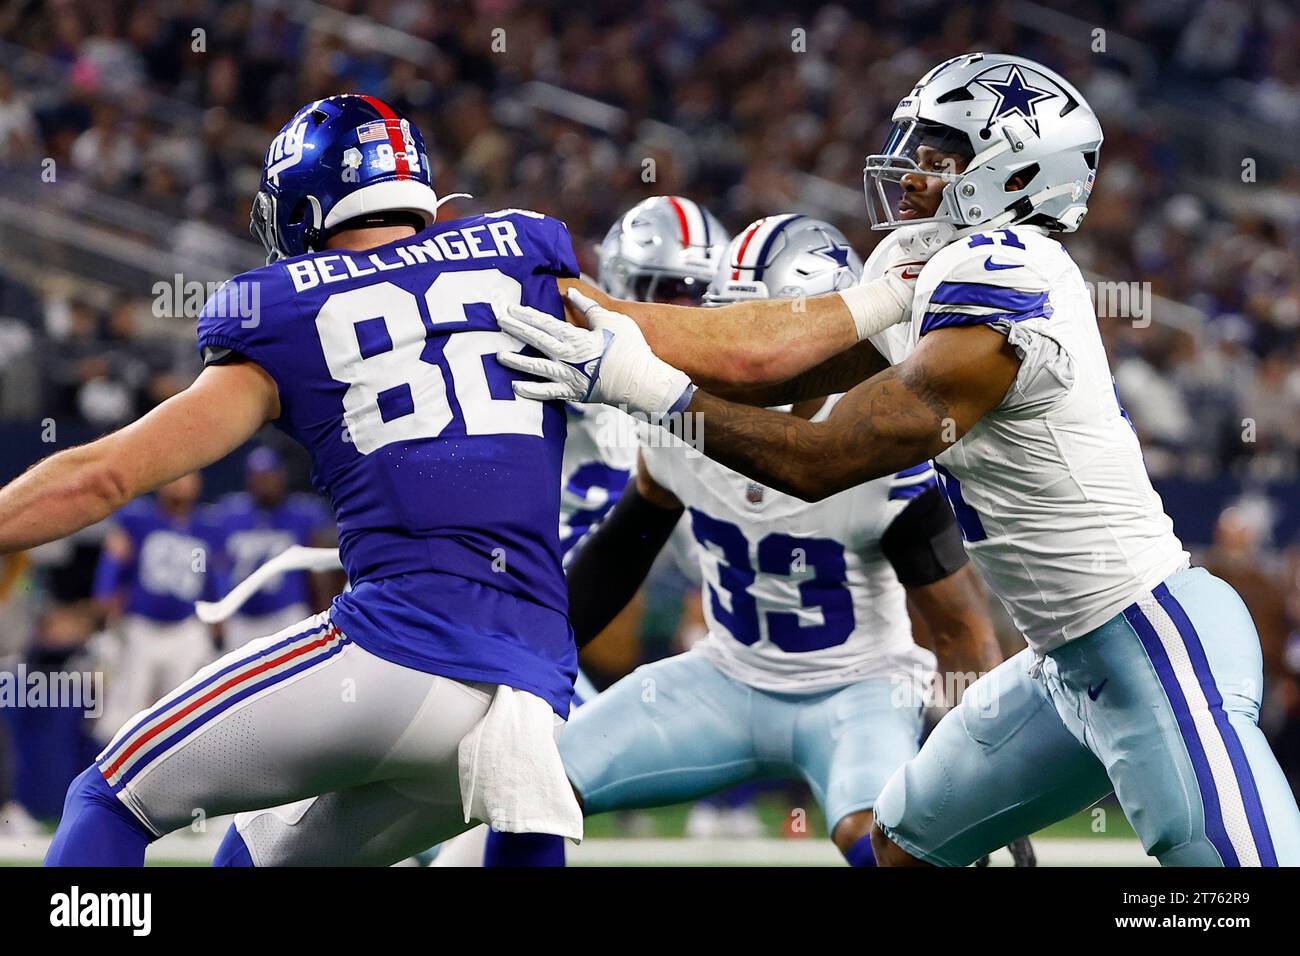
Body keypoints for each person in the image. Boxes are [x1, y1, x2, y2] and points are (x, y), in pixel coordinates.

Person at [495, 53, 1300, 866]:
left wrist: (652, 391)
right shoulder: (933, 270)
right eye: (915, 147)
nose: (912, 172)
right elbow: (768, 360)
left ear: (1015, 173)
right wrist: (584, 306)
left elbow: (819, 461)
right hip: (1062, 667)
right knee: (905, 849)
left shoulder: (1007, 280)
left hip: (1151, 638)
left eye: (940, 154)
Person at [0, 94, 585, 866]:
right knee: (255, 858)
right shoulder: (524, 258)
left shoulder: (285, 304)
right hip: (531, 698)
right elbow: (714, 355)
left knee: (108, 797)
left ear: (307, 204)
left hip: (396, 654)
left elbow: (104, 477)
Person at [528, 214, 1005, 867]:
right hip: (724, 676)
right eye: (733, 323)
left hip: (858, 687)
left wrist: (981, 780)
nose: (751, 352)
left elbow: (961, 630)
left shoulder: (879, 439)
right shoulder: (680, 422)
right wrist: (530, 660)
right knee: (528, 789)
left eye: (779, 326)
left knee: (885, 841)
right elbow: (620, 554)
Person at [90, 472, 219, 743]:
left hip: (186, 627)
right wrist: (105, 593)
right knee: (122, 717)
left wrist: (219, 612)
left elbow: (214, 576)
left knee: (185, 716)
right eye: (175, 476)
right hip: (140, 626)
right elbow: (113, 560)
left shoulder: (207, 527)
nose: (179, 482)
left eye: (187, 476)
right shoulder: (138, 518)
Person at [211, 446, 334, 650]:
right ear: (248, 479)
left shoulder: (304, 513)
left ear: (281, 475)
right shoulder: (229, 513)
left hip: (288, 612)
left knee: (296, 677)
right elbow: (215, 565)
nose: (264, 482)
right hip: (242, 616)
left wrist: (322, 607)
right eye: (258, 476)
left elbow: (322, 565)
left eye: (269, 475)